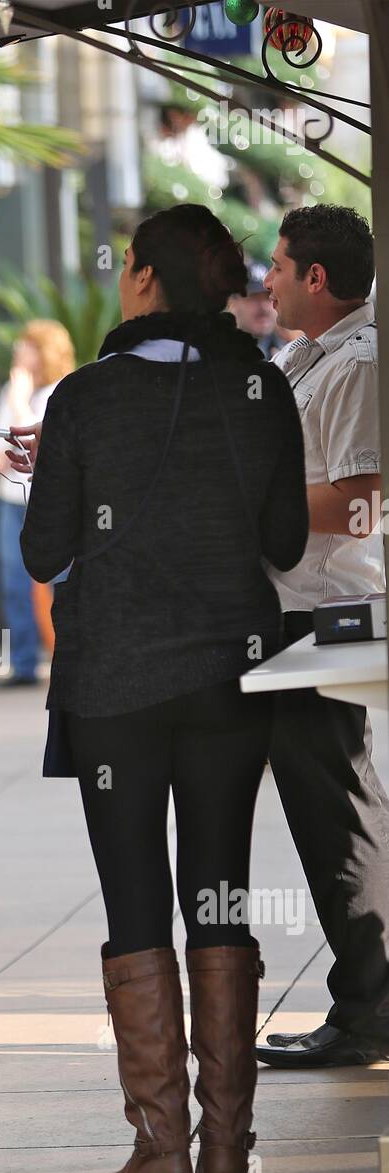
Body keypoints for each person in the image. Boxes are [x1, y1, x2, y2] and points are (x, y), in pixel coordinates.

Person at [20, 204, 309, 1173]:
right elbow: (279, 544)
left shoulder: (85, 398)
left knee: (135, 898)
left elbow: (41, 553)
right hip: (231, 679)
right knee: (218, 891)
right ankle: (228, 1147)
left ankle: (161, 1152)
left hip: (114, 686)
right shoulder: (257, 384)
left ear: (141, 279)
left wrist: (52, 467)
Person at [257, 205, 389, 1069]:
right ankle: (366, 999)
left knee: (340, 812)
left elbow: (357, 498)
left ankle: (371, 1009)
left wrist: (242, 503)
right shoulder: (302, 358)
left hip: (328, 613)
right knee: (326, 808)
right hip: (290, 613)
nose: (264, 279)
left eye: (277, 265)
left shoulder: (359, 364)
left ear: (315, 278)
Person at [0, 321, 76, 686]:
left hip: (49, 502)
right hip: (11, 502)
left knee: (61, 582)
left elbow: (37, 449)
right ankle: (23, 665)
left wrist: (21, 403)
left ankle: (69, 661)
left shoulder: (61, 392)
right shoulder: (13, 391)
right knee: (12, 581)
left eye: (26, 348)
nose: (18, 355)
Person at [228, 260, 296, 359]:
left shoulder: (292, 354)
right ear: (232, 303)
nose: (263, 307)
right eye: (253, 298)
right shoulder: (213, 355)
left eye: (269, 297)